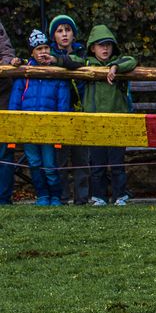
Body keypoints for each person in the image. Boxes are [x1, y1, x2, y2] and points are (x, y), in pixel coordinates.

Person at [53, 25, 138, 207]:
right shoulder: (87, 64)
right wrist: (52, 58)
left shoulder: (120, 62)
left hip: (117, 121)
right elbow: (67, 60)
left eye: (108, 45)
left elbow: (132, 60)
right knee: (97, 163)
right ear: (92, 48)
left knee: (117, 163)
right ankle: (99, 196)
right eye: (100, 45)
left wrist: (115, 67)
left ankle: (120, 195)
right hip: (94, 122)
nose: (105, 49)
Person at [8, 29, 70, 206]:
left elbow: (63, 102)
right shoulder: (25, 73)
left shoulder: (57, 72)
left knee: (50, 164)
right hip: (28, 126)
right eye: (38, 49)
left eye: (45, 48)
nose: (43, 52)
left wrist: (60, 124)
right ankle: (42, 195)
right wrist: (15, 124)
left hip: (50, 127)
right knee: (34, 163)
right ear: (32, 52)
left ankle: (55, 196)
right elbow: (15, 101)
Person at [48, 14, 91, 205]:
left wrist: (59, 61)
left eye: (68, 30)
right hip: (59, 111)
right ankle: (62, 197)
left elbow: (78, 62)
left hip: (81, 110)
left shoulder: (83, 53)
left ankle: (82, 198)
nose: (64, 34)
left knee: (82, 158)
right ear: (53, 36)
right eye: (59, 31)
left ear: (74, 34)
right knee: (60, 158)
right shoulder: (46, 55)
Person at [0, 19, 22, 205]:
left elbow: (7, 53)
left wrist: (5, 63)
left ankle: (3, 198)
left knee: (4, 152)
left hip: (2, 98)